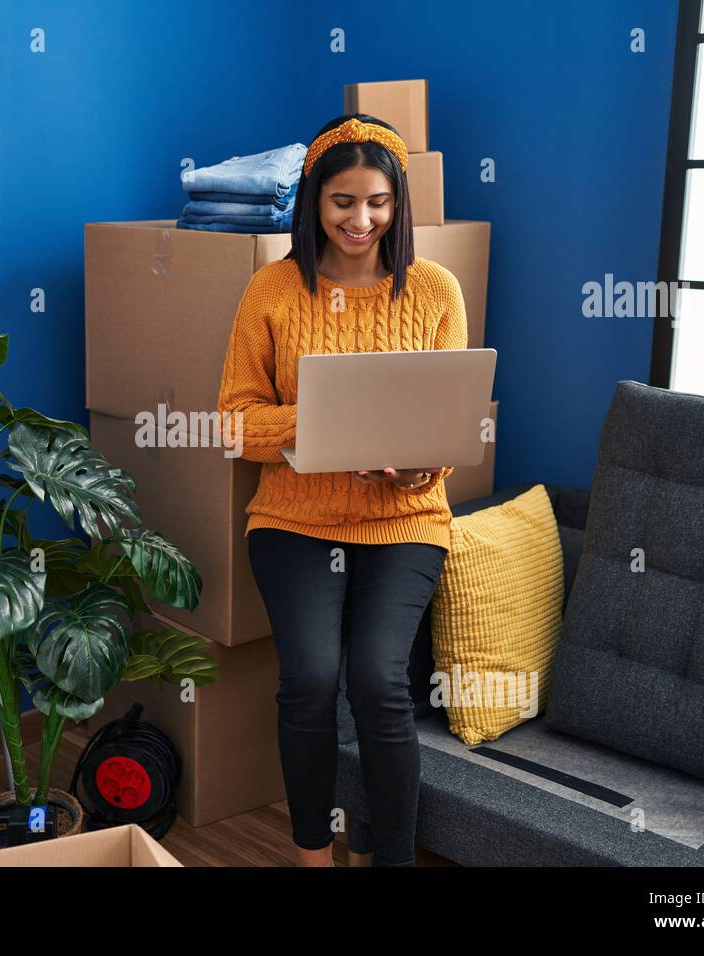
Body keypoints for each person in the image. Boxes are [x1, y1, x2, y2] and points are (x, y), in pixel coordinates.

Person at [216, 113, 468, 867]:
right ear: (313, 204)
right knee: (312, 679)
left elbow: (450, 427)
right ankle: (311, 853)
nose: (362, 220)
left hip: (406, 517)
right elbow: (234, 422)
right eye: (343, 202)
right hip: (294, 518)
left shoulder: (434, 289)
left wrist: (417, 465)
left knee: (379, 682)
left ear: (399, 205)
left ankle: (391, 859)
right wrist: (324, 424)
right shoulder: (271, 289)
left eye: (379, 202)